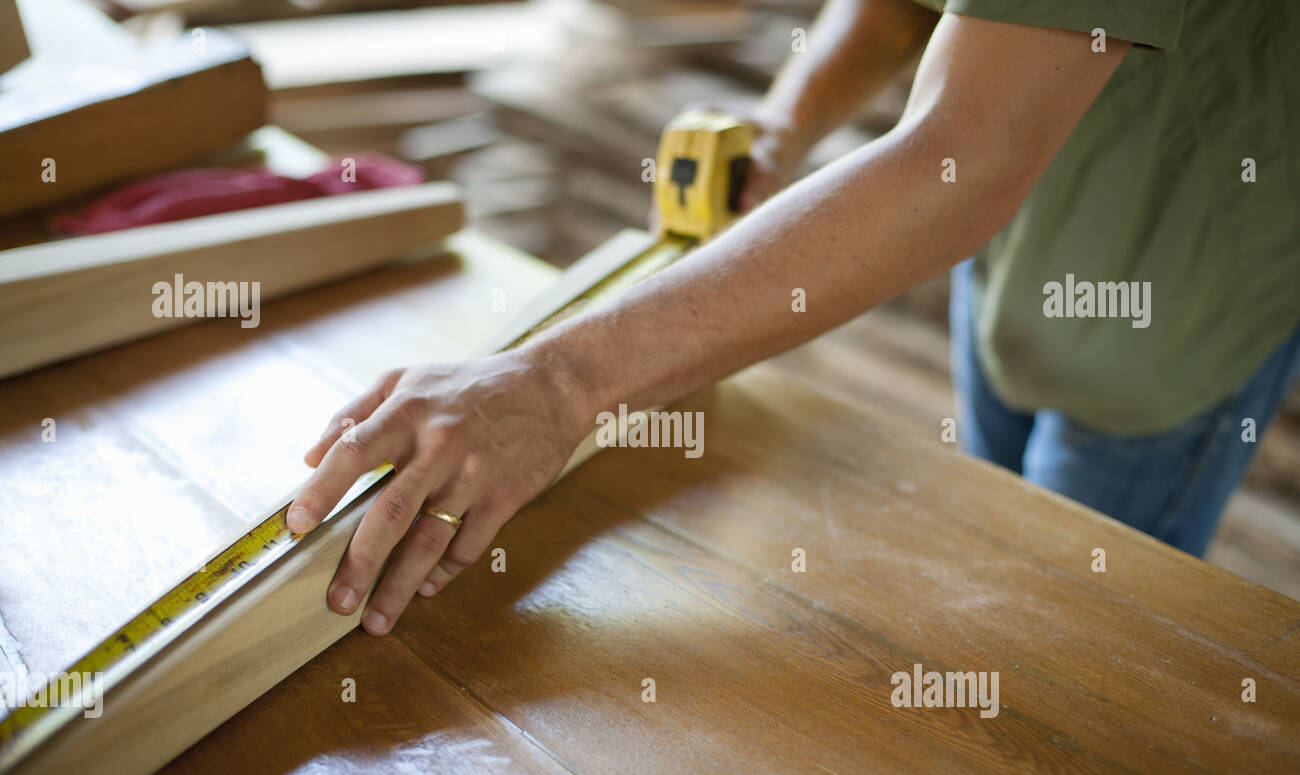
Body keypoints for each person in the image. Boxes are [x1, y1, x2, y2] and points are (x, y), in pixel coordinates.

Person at [285, 0, 1300, 636]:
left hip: (1173, 283)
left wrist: (556, 383)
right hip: (1038, 236)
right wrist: (784, 122)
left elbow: (961, 166)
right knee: (1002, 556)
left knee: (1073, 640)